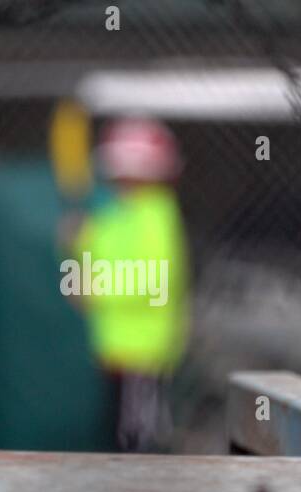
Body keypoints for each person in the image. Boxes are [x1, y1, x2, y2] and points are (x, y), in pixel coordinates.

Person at [66, 117, 190, 452]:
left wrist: (94, 292)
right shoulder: (118, 213)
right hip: (114, 351)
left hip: (143, 355)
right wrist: (78, 238)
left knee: (137, 440)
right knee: (116, 434)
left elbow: (153, 281)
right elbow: (95, 251)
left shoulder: (155, 215)